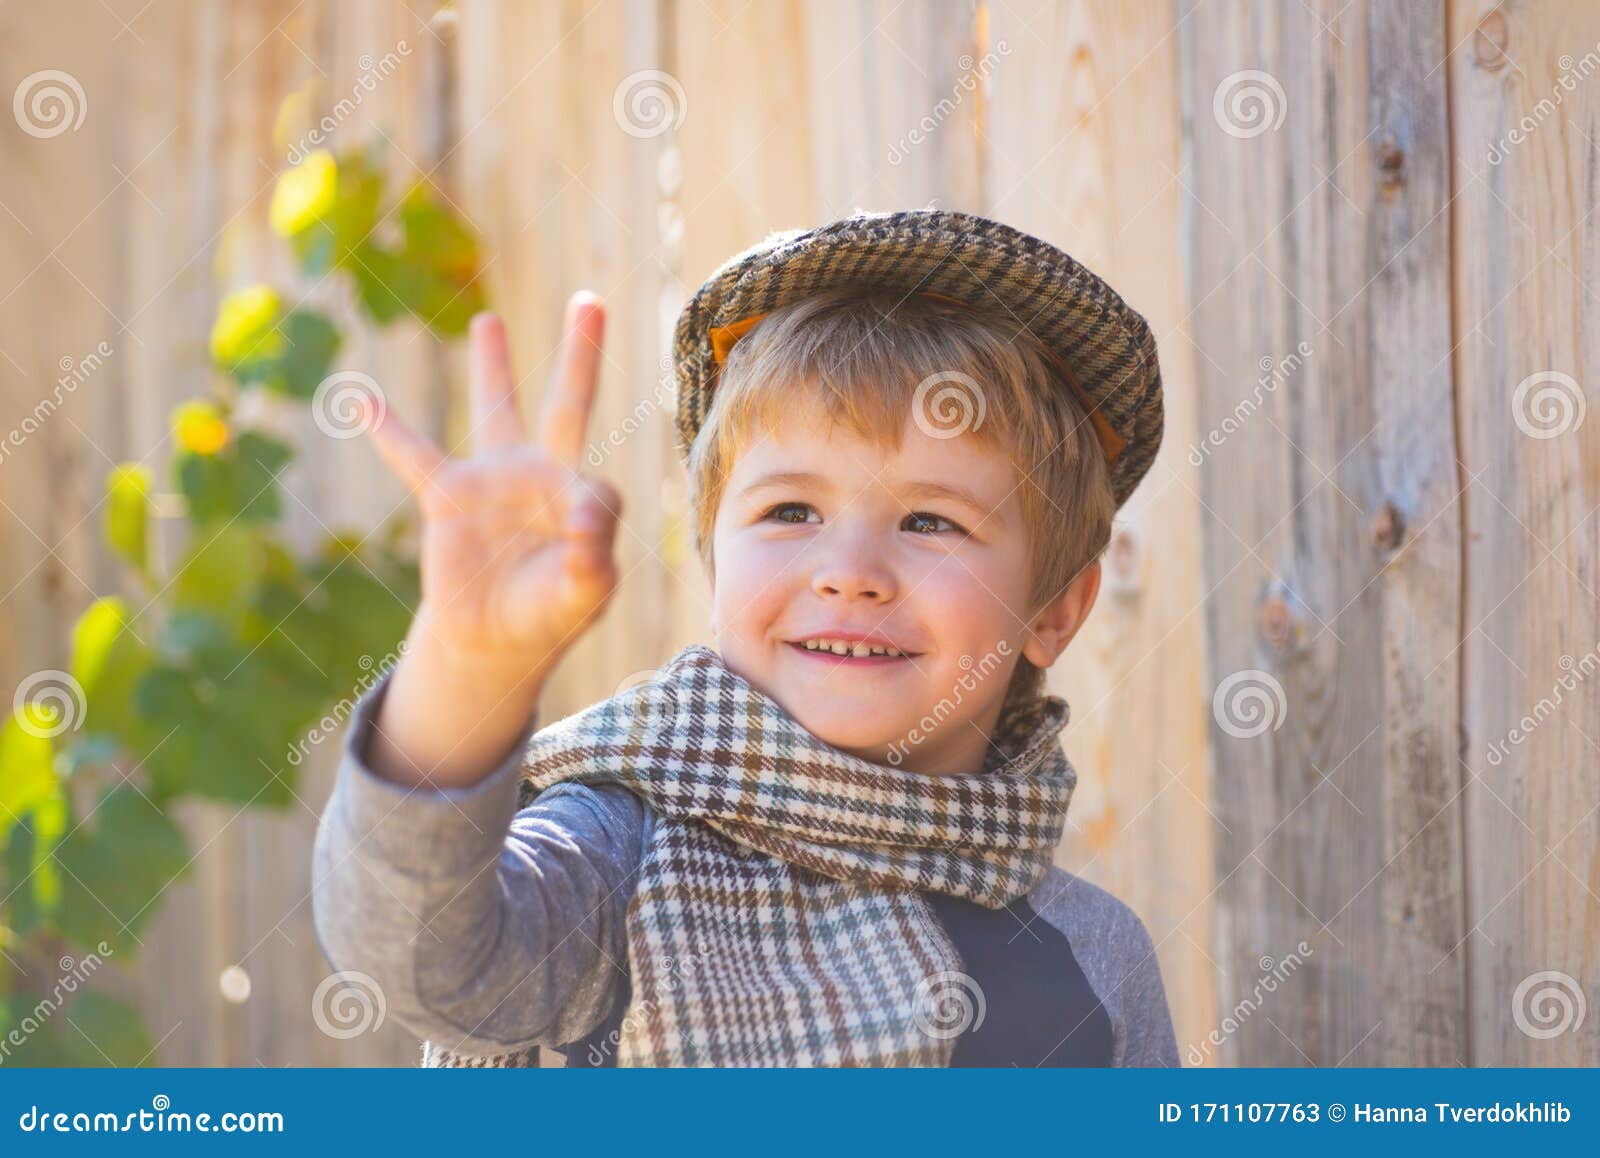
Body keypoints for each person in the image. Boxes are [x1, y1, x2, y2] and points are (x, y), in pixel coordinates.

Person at [310, 208, 1180, 1068]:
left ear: (1054, 610)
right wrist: (467, 668)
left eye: (930, 520)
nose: (850, 570)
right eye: (790, 510)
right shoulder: (613, 859)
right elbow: (418, 962)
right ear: (715, 557)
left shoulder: (1099, 959)